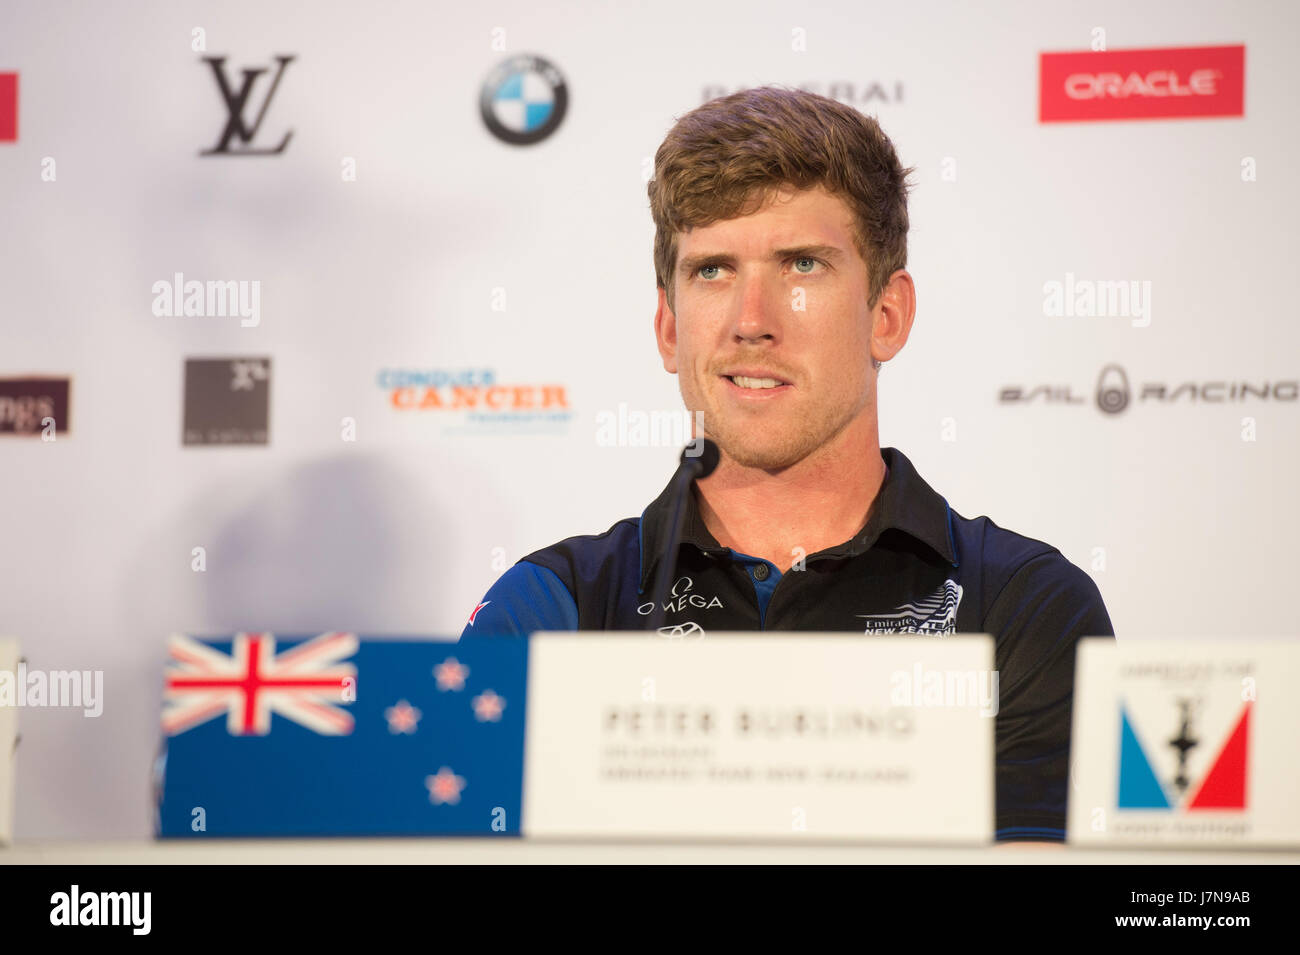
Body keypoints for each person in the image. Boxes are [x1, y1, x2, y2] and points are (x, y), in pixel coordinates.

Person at [460, 85, 1115, 842]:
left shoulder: (1023, 607)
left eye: (801, 265)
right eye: (712, 271)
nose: (750, 323)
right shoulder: (553, 609)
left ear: (887, 315)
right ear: (669, 329)